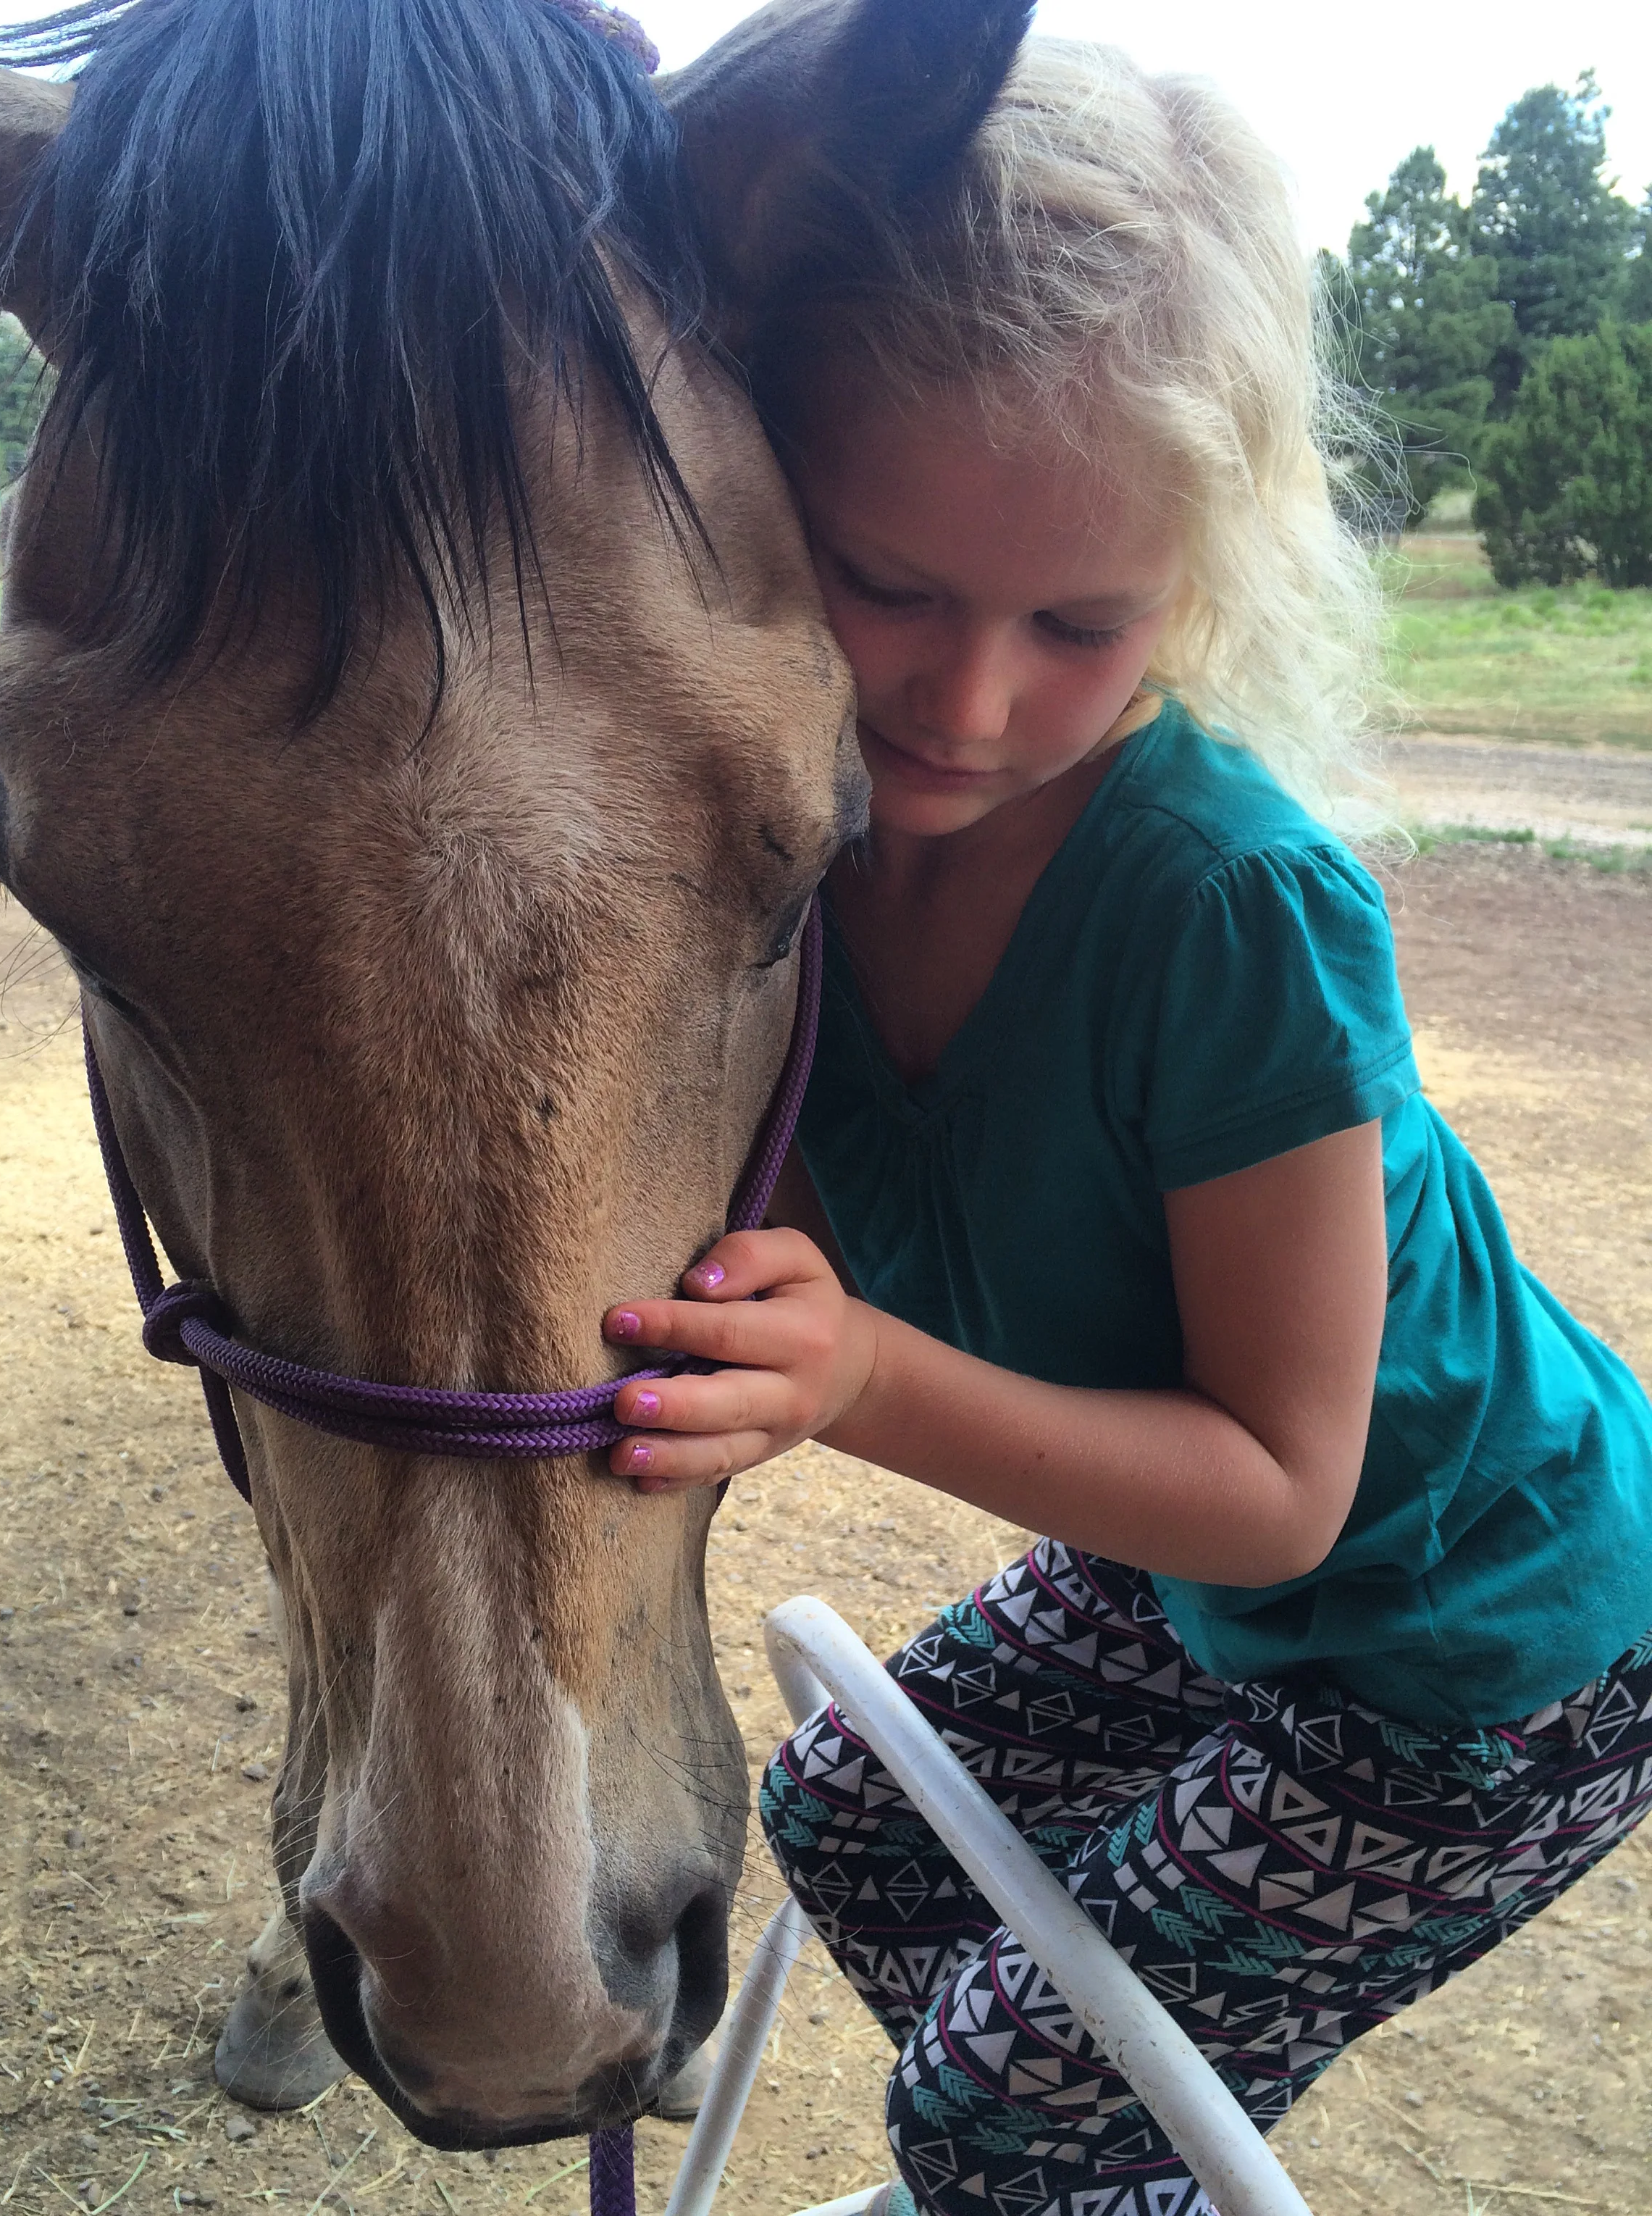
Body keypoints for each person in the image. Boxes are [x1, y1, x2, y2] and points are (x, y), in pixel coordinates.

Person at [599, 38, 1652, 2216]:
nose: (965, 705)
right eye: (889, 581)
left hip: (1497, 1643)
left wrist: (865, 1376)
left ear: (1200, 579)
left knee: (1001, 2110)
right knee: (858, 1818)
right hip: (1212, 1583)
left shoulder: (1229, 905)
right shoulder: (792, 841)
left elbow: (1279, 1489)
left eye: (1082, 625)